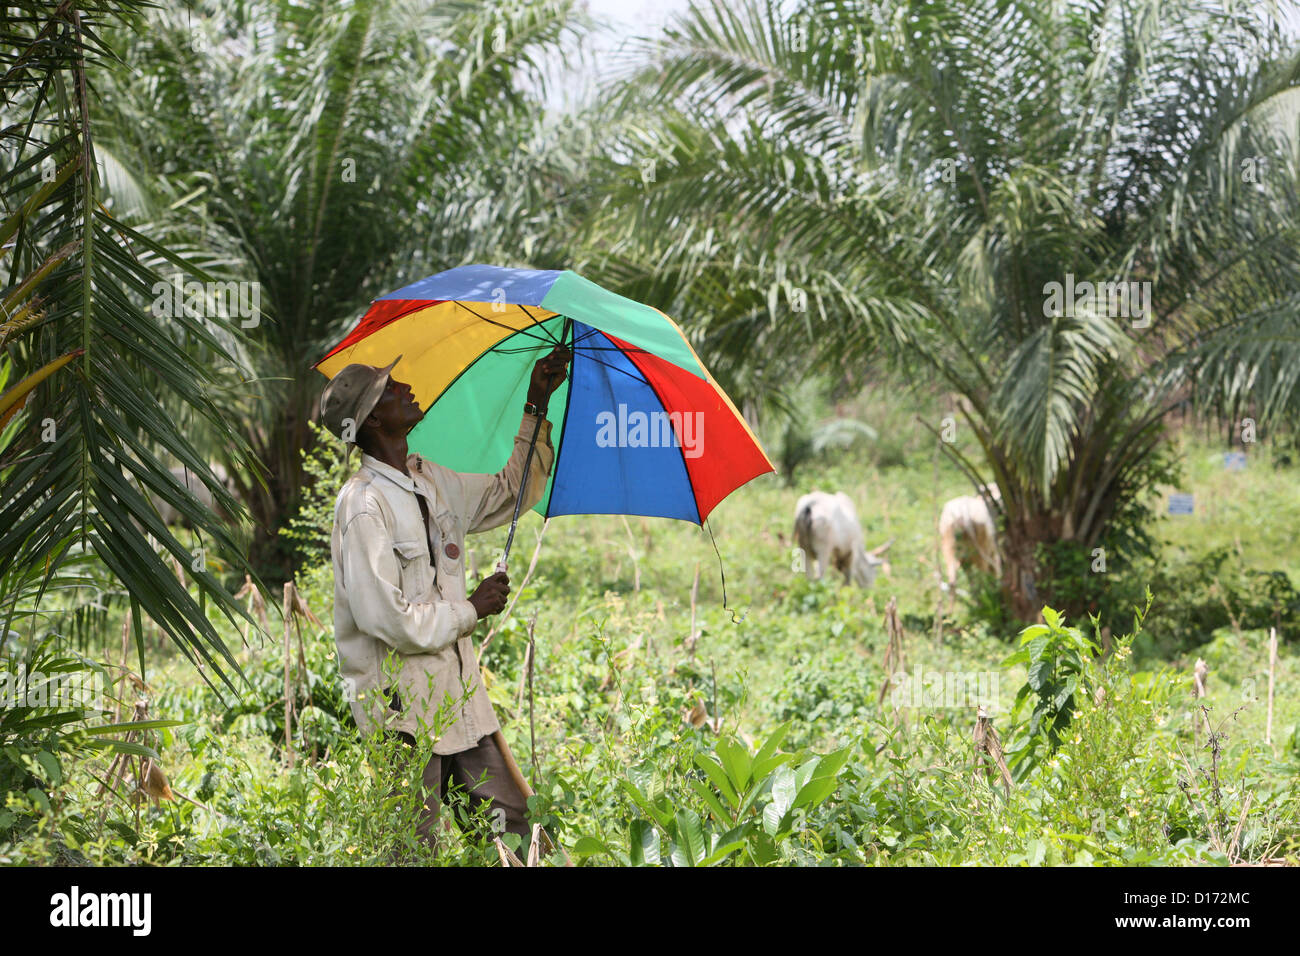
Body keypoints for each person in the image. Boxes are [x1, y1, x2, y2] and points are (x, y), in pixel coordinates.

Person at [320, 344, 570, 857]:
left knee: (519, 835)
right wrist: (471, 609)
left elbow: (509, 490)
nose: (405, 387)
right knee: (413, 850)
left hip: (459, 702)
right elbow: (385, 618)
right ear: (370, 422)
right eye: (389, 390)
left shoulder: (429, 480)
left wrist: (536, 404)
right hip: (402, 718)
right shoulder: (363, 505)